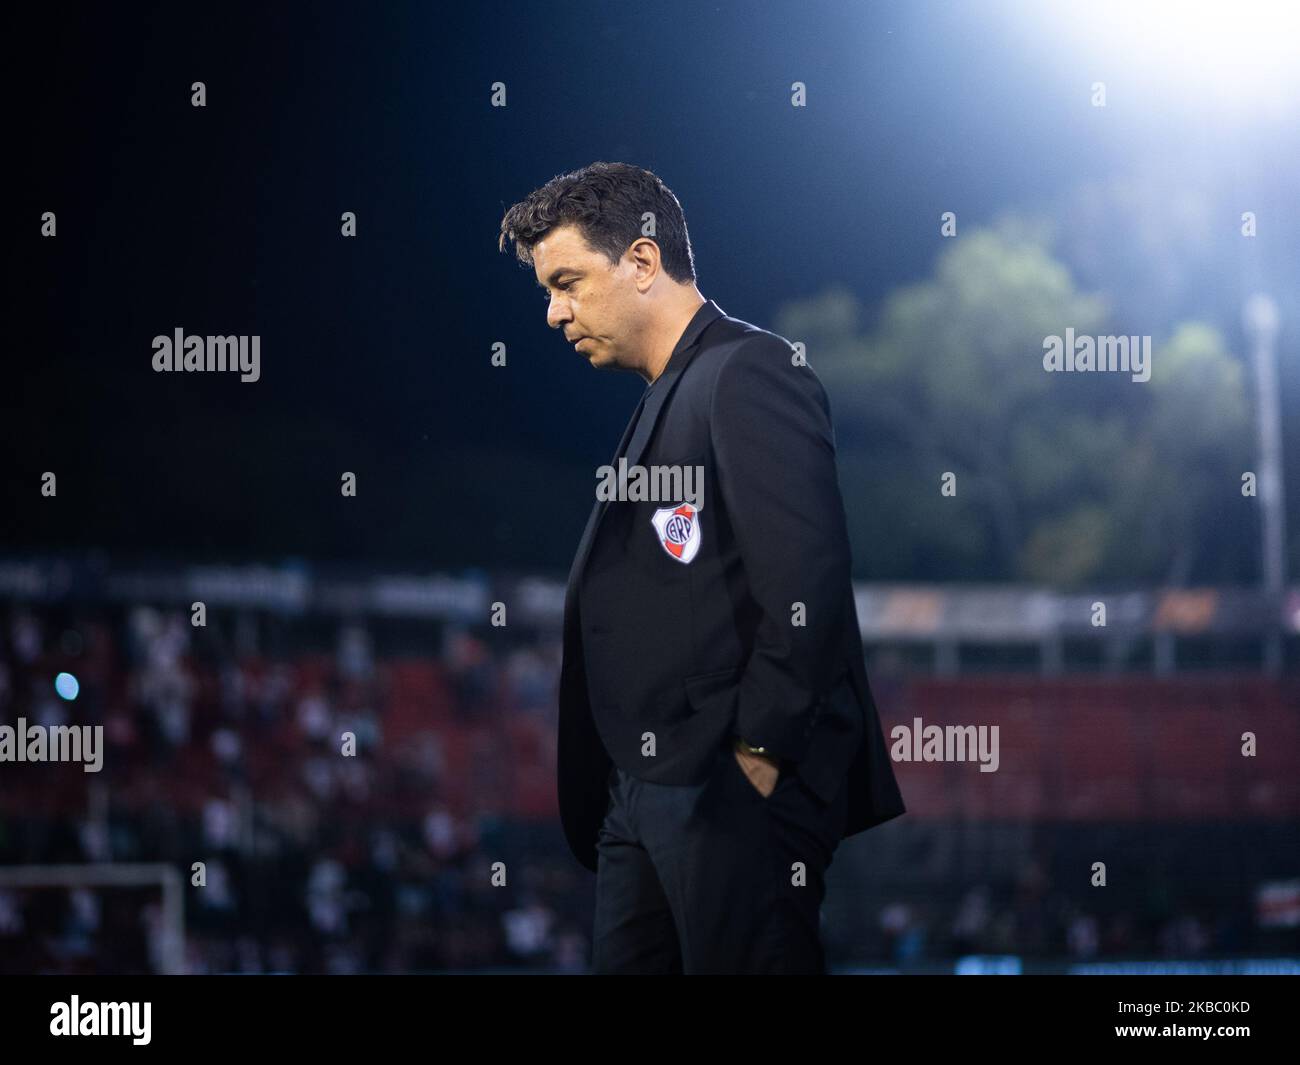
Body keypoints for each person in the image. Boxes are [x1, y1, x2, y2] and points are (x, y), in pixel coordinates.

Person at [498, 161, 905, 974]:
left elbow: (807, 582)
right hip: (645, 789)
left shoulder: (750, 370)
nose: (553, 312)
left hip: (724, 781)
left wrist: (758, 754)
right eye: (548, 291)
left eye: (568, 283)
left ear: (643, 261)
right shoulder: (669, 391)